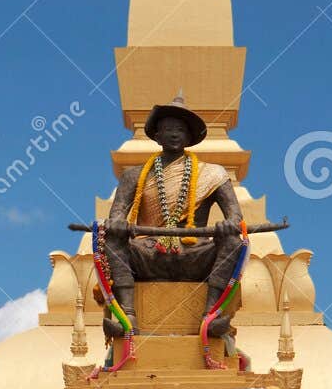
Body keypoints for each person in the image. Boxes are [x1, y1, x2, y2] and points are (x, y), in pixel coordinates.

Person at [100, 100, 243, 339]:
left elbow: (235, 214)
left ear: (189, 137)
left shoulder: (212, 173)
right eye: (169, 129)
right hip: (148, 251)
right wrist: (117, 223)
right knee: (111, 241)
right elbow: (117, 213)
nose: (175, 134)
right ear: (157, 135)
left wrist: (229, 224)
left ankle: (211, 315)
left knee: (233, 242)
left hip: (194, 251)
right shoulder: (134, 175)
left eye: (181, 130)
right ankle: (126, 316)